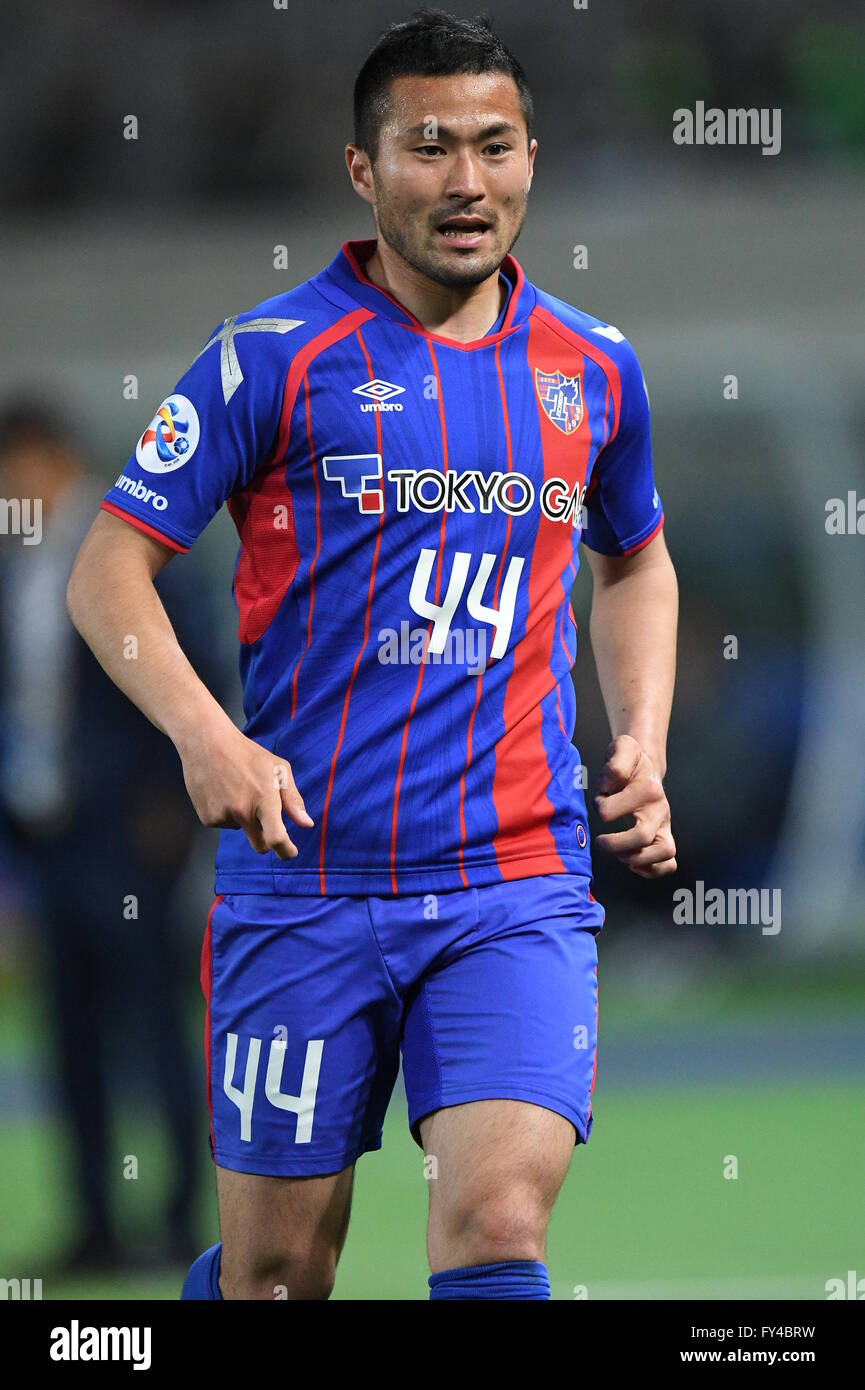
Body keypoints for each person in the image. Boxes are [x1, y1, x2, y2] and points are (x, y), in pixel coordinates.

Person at [66, 8, 678, 1301]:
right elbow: (105, 568)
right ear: (364, 168)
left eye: (495, 146)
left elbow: (636, 557)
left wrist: (644, 733)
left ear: (531, 158)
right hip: (306, 884)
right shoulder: (271, 358)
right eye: (428, 146)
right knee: (280, 1273)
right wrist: (203, 732)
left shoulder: (597, 369)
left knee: (498, 1220)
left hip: (514, 872)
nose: (467, 182)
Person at [0, 400, 222, 1273]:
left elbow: (195, 677)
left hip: (131, 840)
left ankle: (176, 1219)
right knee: (70, 1037)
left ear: (52, 456)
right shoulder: (16, 566)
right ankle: (94, 1218)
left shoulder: (137, 548)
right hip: (47, 836)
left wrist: (168, 810)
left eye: (16, 466)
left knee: (158, 1029)